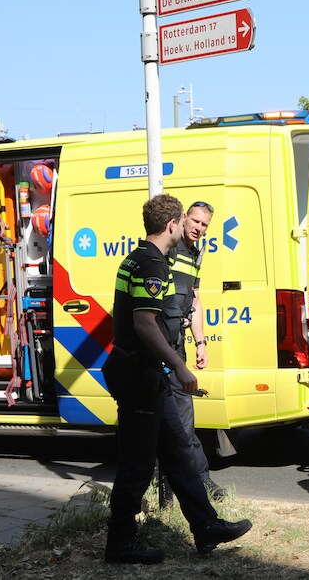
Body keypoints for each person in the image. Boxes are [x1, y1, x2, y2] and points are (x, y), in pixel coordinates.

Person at [101, 194, 251, 564]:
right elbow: (144, 325)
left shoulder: (137, 257)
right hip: (140, 374)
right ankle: (120, 543)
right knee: (137, 465)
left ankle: (206, 527)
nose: (193, 228)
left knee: (180, 452)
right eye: (187, 221)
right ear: (173, 224)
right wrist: (180, 366)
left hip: (151, 373)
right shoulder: (152, 264)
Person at [162, 200, 225, 500]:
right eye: (196, 221)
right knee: (162, 421)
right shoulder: (170, 247)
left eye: (205, 225)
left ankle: (199, 482)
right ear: (184, 218)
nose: (199, 228)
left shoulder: (197, 252)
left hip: (177, 346)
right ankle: (173, 485)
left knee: (184, 418)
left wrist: (201, 343)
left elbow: (195, 299)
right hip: (161, 346)